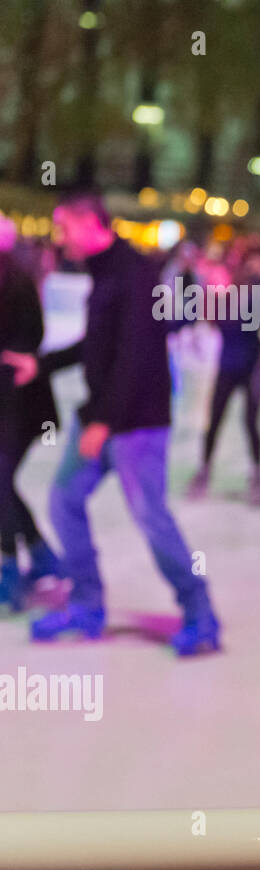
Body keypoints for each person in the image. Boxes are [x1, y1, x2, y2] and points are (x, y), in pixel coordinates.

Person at [4, 192, 220, 654]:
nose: (60, 240)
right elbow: (96, 344)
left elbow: (137, 355)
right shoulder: (105, 273)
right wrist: (40, 366)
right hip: (103, 414)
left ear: (89, 223)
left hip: (137, 421)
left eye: (65, 228)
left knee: (150, 515)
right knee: (64, 501)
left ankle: (200, 612)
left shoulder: (134, 274)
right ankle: (87, 604)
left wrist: (104, 420)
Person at [0, 215, 62, 612]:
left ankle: (10, 569)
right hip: (11, 404)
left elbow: (31, 341)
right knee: (2, 484)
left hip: (21, 407)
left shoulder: (16, 283)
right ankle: (41, 556)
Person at [186, 250, 260, 503]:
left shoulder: (256, 297)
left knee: (251, 422)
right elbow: (212, 322)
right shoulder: (223, 299)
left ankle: (256, 473)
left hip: (250, 367)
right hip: (227, 366)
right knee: (215, 420)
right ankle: (205, 468)